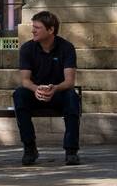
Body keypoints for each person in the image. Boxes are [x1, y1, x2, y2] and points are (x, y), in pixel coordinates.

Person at [13, 10, 81, 166]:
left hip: (58, 93)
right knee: (19, 95)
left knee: (72, 96)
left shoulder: (67, 48)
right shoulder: (27, 48)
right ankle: (29, 148)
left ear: (51, 30)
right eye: (33, 27)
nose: (33, 31)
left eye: (37, 28)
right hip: (35, 93)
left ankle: (71, 151)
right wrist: (36, 89)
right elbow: (25, 80)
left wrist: (55, 88)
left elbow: (69, 81)